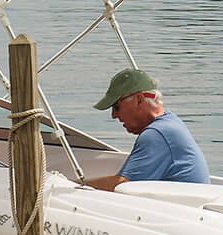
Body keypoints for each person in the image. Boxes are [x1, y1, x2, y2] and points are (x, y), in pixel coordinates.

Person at [77, 68, 209, 191]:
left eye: (116, 107)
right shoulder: (170, 120)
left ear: (139, 100)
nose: (114, 115)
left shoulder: (156, 134)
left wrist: (73, 185)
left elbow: (123, 186)